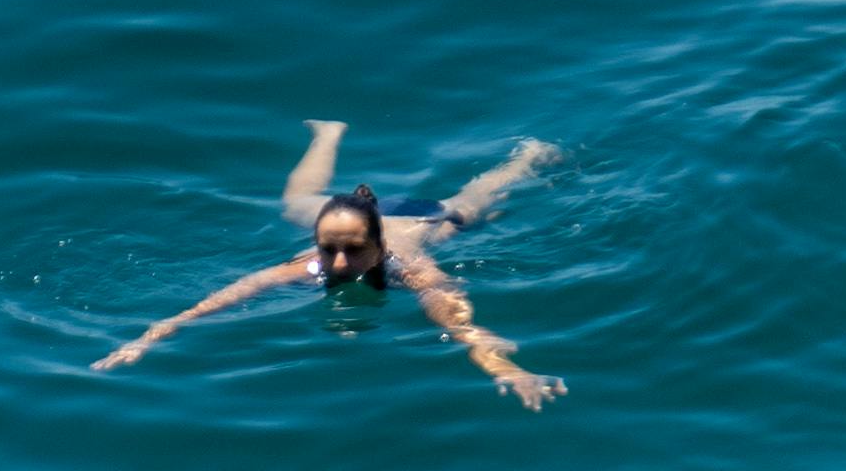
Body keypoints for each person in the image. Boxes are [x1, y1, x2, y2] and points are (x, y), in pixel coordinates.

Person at [95, 121, 566, 407]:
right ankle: (328, 132)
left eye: (354, 250)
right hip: (352, 213)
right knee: (295, 200)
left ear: (378, 246)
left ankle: (525, 159)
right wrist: (150, 337)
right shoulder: (309, 265)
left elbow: (459, 321)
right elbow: (219, 300)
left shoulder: (411, 266)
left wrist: (505, 369)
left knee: (470, 207)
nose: (339, 263)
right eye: (328, 249)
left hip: (425, 218)